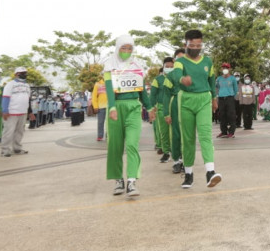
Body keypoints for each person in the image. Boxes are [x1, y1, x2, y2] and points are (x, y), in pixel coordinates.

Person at [165, 29, 222, 189]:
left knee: (205, 135)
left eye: (199, 45)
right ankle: (188, 174)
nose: (196, 48)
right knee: (188, 138)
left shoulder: (207, 61)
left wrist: (214, 98)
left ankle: (210, 172)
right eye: (192, 45)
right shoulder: (180, 61)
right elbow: (177, 75)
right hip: (186, 101)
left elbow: (211, 80)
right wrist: (183, 79)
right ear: (186, 45)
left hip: (204, 99)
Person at [103, 35, 155, 198]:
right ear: (117, 48)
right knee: (115, 146)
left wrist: (149, 107)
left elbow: (141, 91)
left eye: (129, 48)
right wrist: (112, 107)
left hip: (133, 107)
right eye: (123, 48)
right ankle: (118, 179)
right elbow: (109, 89)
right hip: (116, 108)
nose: (126, 51)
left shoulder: (137, 66)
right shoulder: (109, 65)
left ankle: (132, 181)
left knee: (132, 144)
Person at [1, 67, 34, 157]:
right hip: (11, 113)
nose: (24, 74)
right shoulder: (10, 84)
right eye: (22, 73)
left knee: (20, 132)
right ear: (16, 74)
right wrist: (5, 111)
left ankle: (17, 148)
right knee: (8, 131)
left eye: (25, 73)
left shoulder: (27, 86)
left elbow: (28, 100)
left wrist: (30, 112)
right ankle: (5, 150)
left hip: (23, 112)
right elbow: (5, 98)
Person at [215, 63, 238, 138]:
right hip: (221, 98)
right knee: (222, 115)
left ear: (229, 69)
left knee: (231, 115)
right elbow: (216, 87)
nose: (225, 69)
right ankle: (224, 131)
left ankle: (231, 132)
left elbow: (236, 89)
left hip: (230, 98)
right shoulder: (219, 78)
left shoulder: (232, 78)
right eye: (223, 67)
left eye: (226, 68)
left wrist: (233, 97)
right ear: (221, 69)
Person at [91, 76, 108, 142]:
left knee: (110, 123)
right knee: (100, 122)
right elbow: (94, 96)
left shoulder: (112, 83)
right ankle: (100, 136)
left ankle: (108, 135)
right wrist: (95, 106)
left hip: (110, 106)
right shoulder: (97, 84)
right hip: (101, 106)